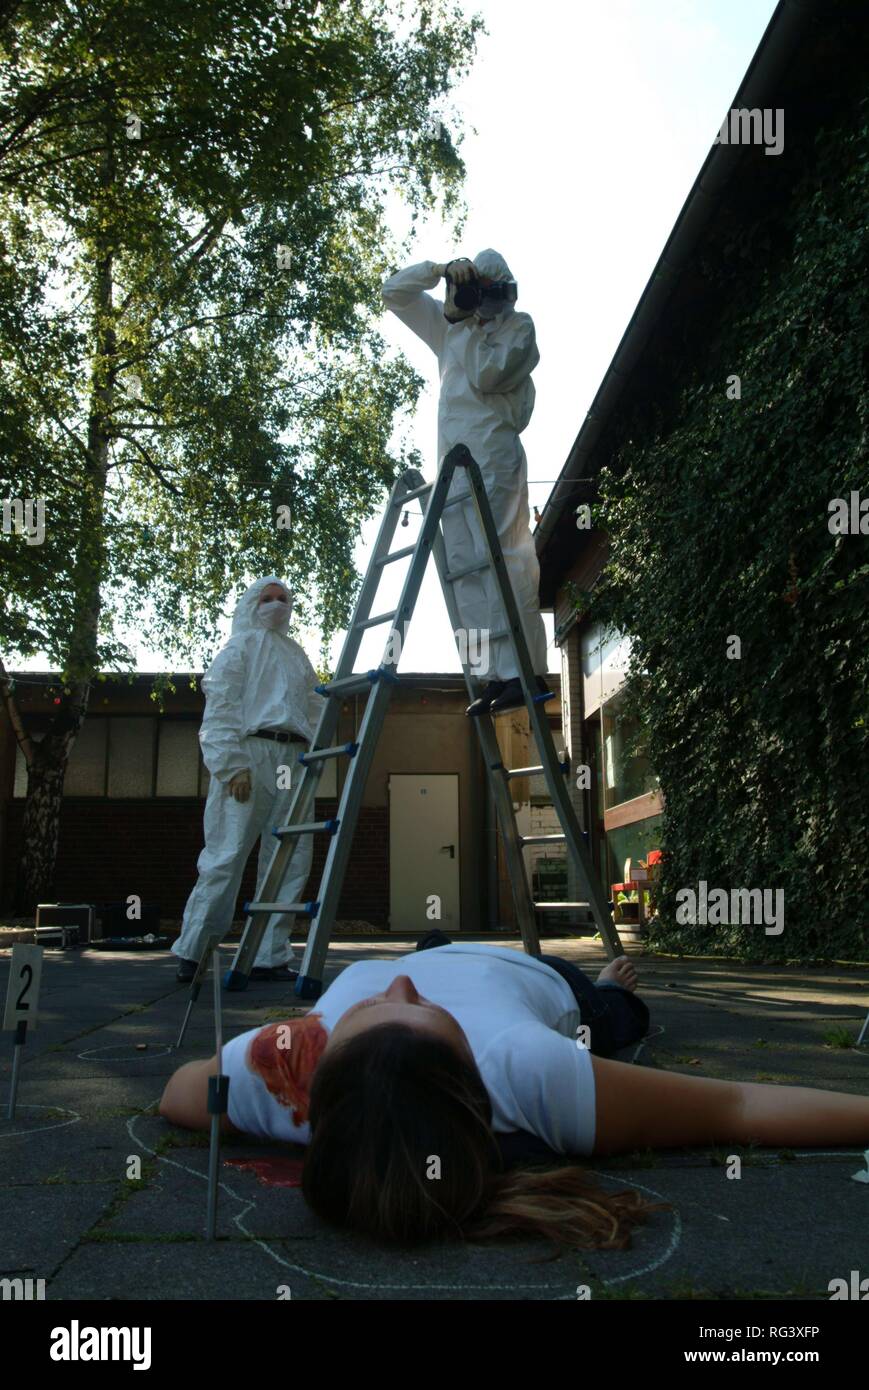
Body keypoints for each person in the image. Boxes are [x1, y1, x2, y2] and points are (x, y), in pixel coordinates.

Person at [158, 940, 869, 1251]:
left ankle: (441, 949)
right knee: (612, 1015)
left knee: (425, 948)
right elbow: (735, 1107)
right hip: (543, 979)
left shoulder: (282, 1075)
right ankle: (613, 987)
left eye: (369, 1012)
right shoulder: (527, 1067)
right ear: (473, 1071)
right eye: (419, 1009)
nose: (397, 991)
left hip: (433, 946)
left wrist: (258, 1051)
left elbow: (177, 1093)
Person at [382, 250, 552, 717]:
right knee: (465, 570)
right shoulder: (451, 323)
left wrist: (464, 320)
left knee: (504, 559)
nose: (481, 303)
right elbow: (392, 293)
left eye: (485, 293)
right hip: (452, 466)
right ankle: (489, 675)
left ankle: (525, 671)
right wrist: (438, 272)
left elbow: (488, 373)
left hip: (493, 459)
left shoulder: (519, 328)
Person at [172, 576, 325, 984]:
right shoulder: (238, 649)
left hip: (292, 757)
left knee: (288, 855)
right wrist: (231, 764)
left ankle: (268, 954)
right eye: (267, 598)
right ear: (250, 605)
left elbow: (314, 706)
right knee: (227, 853)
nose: (276, 605)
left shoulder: (297, 655)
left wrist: (317, 752)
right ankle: (194, 950)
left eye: (283, 599)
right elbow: (220, 706)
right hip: (251, 754)